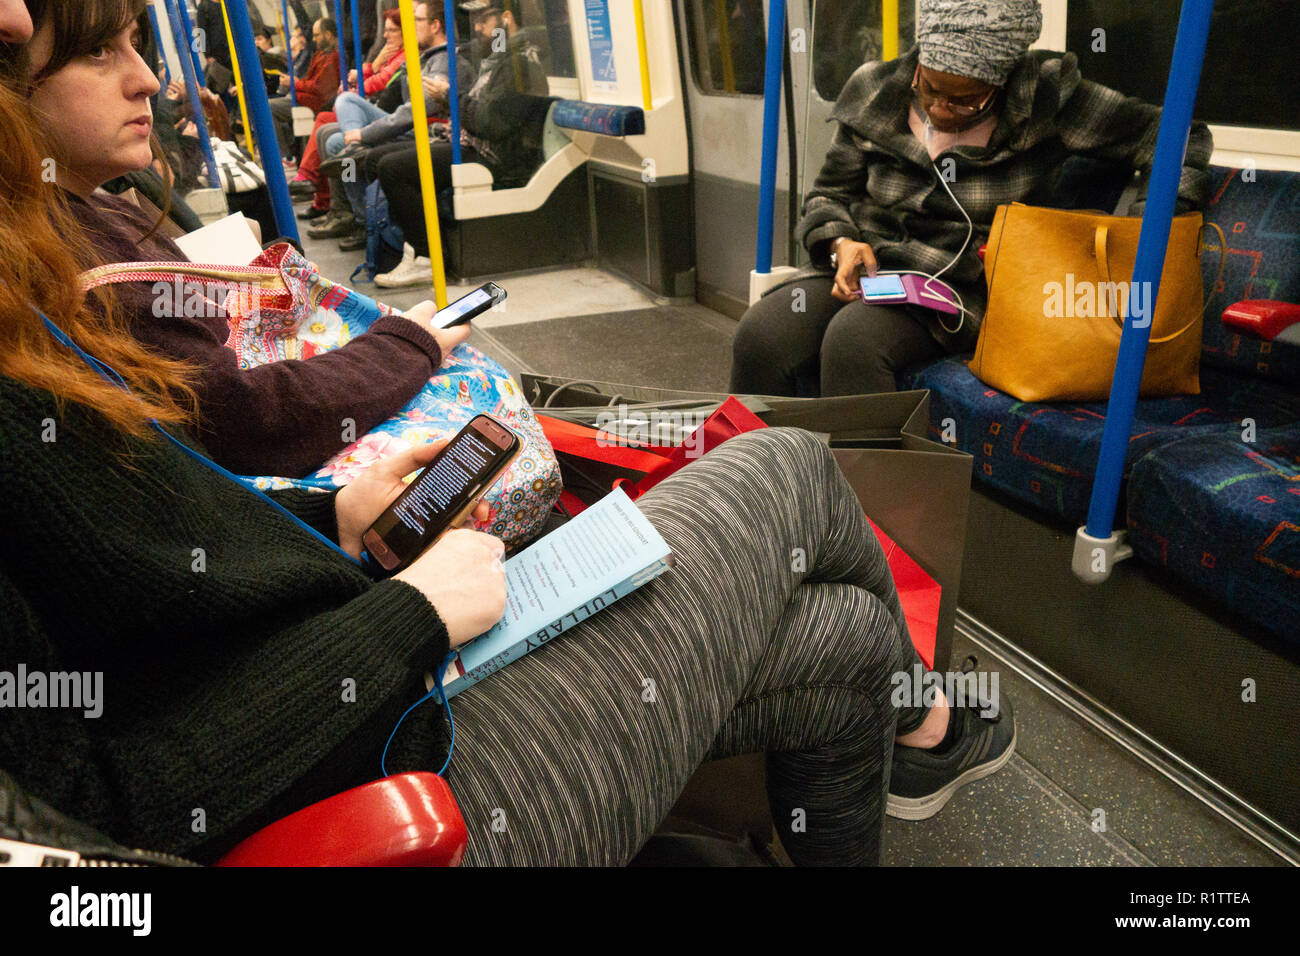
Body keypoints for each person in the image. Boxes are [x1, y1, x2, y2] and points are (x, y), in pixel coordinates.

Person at [0, 0, 1013, 867]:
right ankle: (927, 717)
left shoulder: (39, 293)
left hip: (339, 678)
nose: (138, 77)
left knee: (840, 640)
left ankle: (910, 717)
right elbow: (106, 816)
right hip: (387, 782)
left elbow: (132, 559)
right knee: (785, 464)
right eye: (97, 49)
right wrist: (407, 616)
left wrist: (333, 513)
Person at [19, 0, 466, 479]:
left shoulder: (93, 212)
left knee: (336, 132)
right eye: (98, 51)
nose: (147, 80)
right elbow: (251, 420)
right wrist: (408, 345)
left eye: (135, 45)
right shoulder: (87, 264)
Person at [729, 0, 1213, 398]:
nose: (939, 108)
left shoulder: (1048, 98)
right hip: (866, 270)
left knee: (854, 341)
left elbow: (1176, 137)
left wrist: (1149, 225)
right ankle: (750, 483)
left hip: (961, 286)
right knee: (761, 335)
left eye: (964, 101)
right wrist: (840, 243)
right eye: (929, 88)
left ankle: (864, 508)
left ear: (1001, 83)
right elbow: (828, 194)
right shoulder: (878, 90)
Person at [369, 0, 550, 288]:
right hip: (475, 145)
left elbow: (493, 122)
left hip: (493, 157)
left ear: (506, 19)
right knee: (383, 159)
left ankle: (427, 257)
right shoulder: (499, 59)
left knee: (393, 168)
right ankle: (408, 250)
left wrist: (450, 97)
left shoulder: (520, 64)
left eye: (483, 20)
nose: (477, 27)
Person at [268, 16, 340, 161]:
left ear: (328, 34)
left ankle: (285, 156)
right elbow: (311, 82)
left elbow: (320, 89)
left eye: (317, 35)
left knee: (268, 107)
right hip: (305, 97)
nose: (314, 39)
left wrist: (294, 83)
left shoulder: (333, 57)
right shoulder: (321, 54)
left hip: (313, 102)